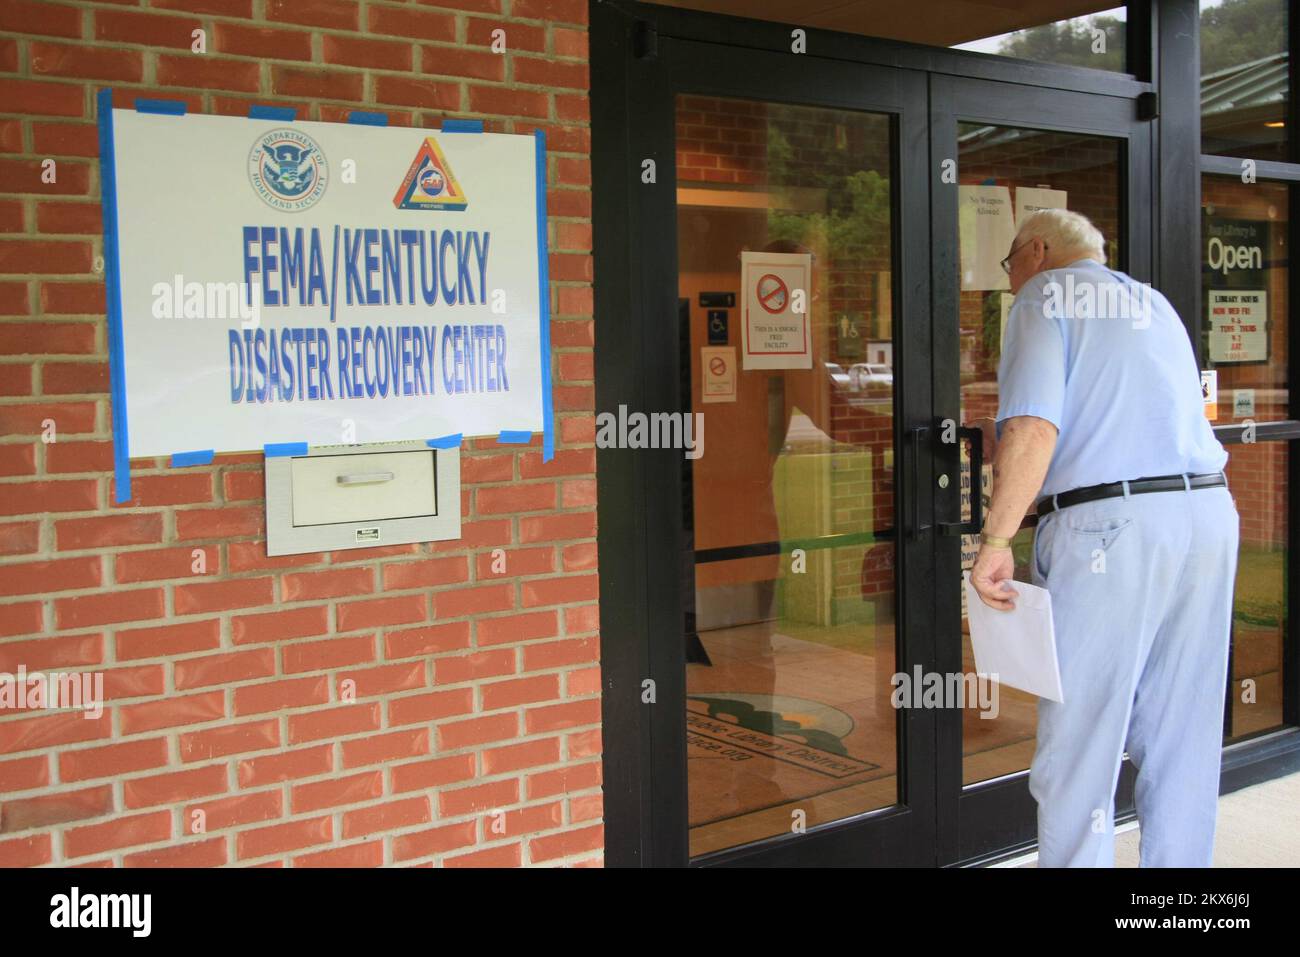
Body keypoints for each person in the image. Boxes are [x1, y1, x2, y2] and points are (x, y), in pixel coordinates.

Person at [967, 207, 1239, 867]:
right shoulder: (1153, 303)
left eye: (1010, 266)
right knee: (1182, 734)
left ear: (1035, 251)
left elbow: (1032, 429)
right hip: (1205, 514)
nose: (1011, 281)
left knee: (1081, 741)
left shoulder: (1043, 297)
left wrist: (996, 538)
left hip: (1111, 531)